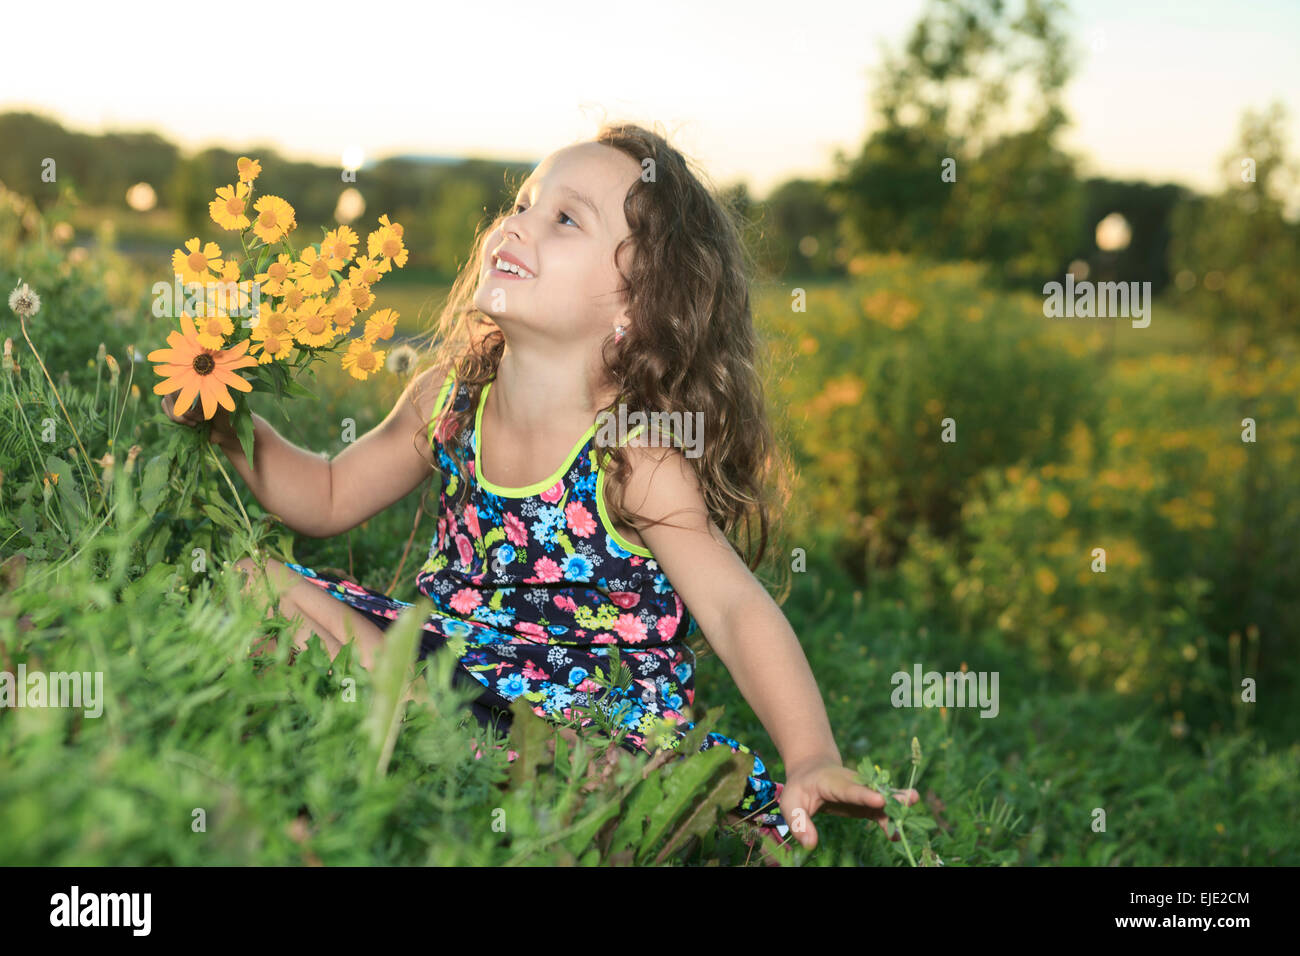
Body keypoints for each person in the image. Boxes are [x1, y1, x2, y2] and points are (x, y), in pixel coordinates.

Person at [163, 122, 918, 863]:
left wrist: (812, 753)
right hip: (448, 661)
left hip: (577, 716)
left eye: (564, 219)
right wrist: (237, 431)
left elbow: (733, 607)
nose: (516, 225)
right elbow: (325, 496)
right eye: (522, 202)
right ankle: (439, 760)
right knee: (254, 585)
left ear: (637, 303)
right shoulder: (448, 401)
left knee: (352, 658)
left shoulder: (634, 454)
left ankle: (539, 781)